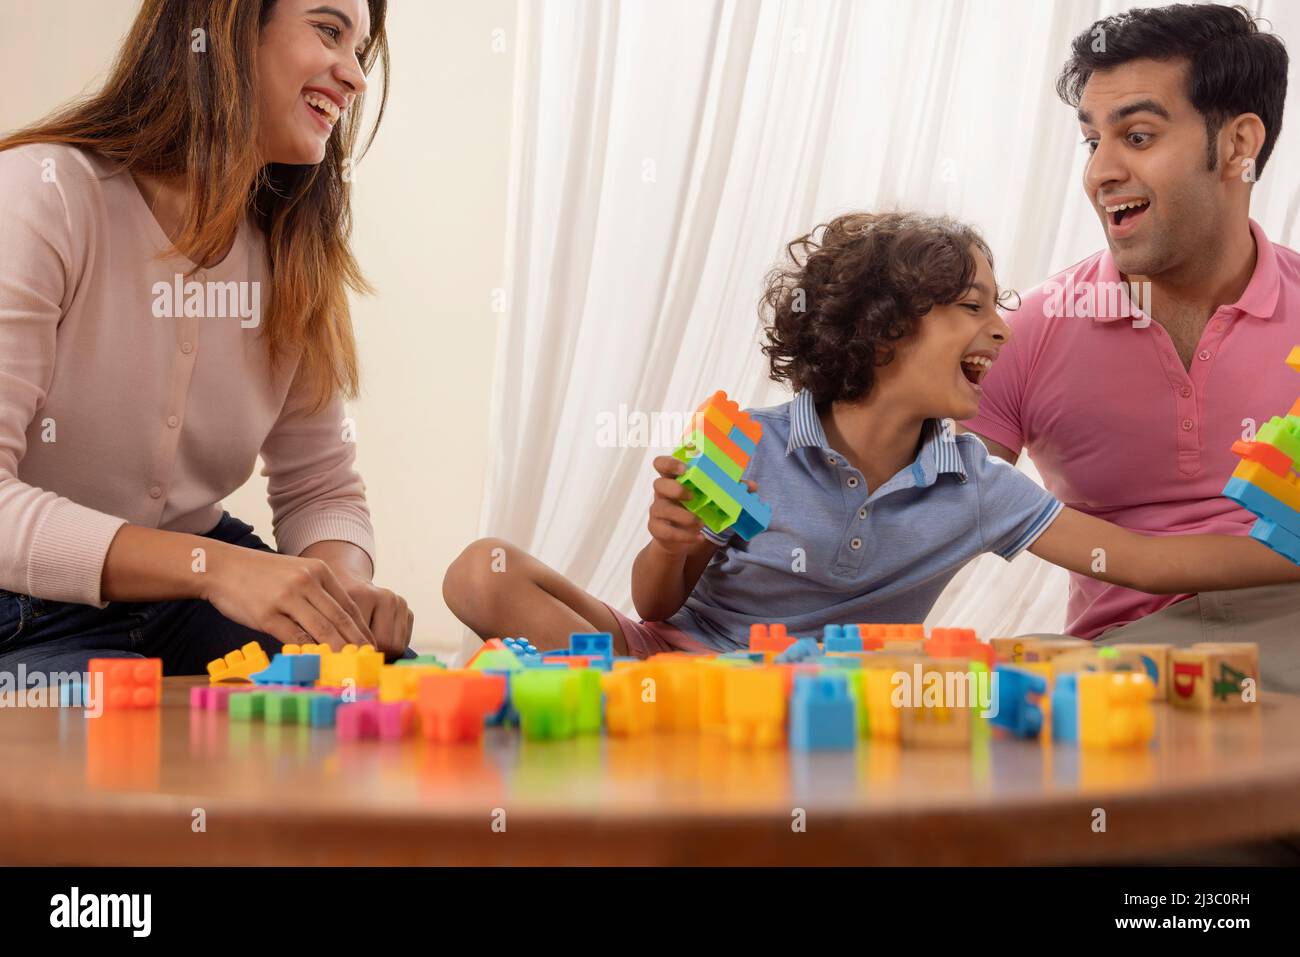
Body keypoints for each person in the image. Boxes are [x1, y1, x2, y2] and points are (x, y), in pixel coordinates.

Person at [443, 212, 1300, 660]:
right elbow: (661, 602)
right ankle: (636, 699)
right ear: (885, 327)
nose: (1001, 329)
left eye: (999, 305)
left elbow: (1143, 558)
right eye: (972, 306)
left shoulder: (973, 484)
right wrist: (673, 538)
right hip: (669, 657)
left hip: (809, 693)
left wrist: (1289, 550)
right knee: (479, 574)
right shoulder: (753, 444)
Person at [0, 0, 413, 678]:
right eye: (328, 30)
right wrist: (211, 568)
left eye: (360, 51)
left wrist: (343, 596)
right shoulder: (43, 197)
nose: (356, 77)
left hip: (192, 596)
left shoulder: (292, 249)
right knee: (116, 749)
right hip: (26, 602)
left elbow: (320, 487)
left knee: (380, 695)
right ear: (226, 28)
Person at [958, 4, 1299, 693]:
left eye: (1138, 136)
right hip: (1129, 657)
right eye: (1092, 143)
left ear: (1239, 146)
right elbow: (930, 510)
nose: (1100, 174)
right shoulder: (1030, 328)